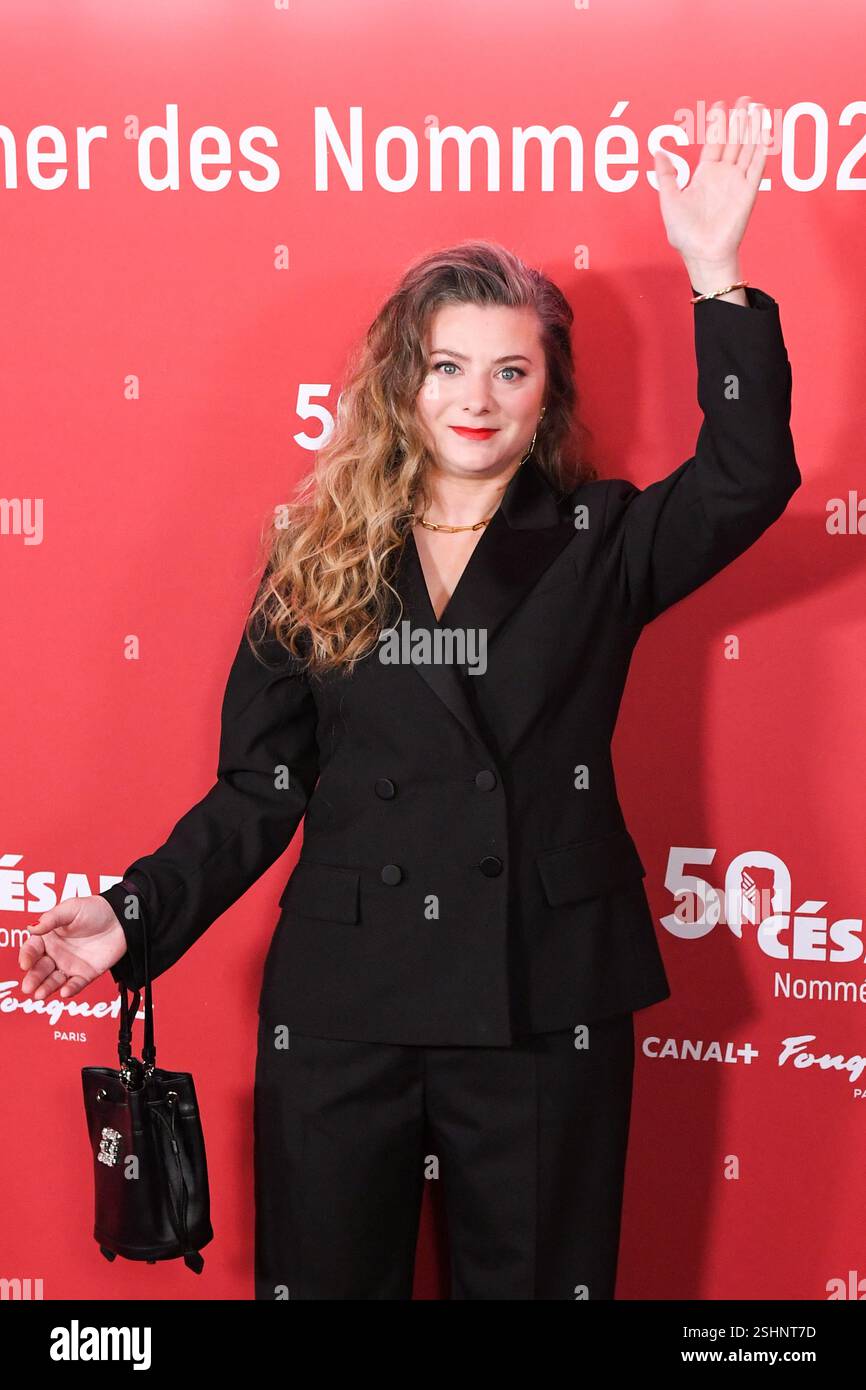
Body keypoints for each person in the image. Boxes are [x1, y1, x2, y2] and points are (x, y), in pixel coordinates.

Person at [20, 96, 800, 1299]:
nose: (475, 396)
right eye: (446, 366)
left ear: (547, 393)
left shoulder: (599, 539)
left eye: (509, 369)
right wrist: (136, 912)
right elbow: (260, 785)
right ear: (404, 382)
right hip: (346, 1002)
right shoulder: (319, 551)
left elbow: (749, 479)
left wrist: (715, 276)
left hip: (540, 995)